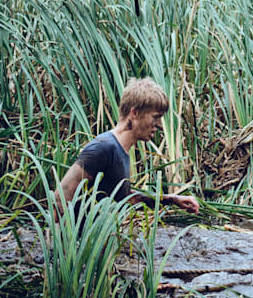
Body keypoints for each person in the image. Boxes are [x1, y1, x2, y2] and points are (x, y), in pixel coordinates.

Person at [59, 77, 200, 216]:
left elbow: (127, 198)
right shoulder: (103, 147)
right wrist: (62, 238)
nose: (160, 125)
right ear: (134, 113)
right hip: (81, 239)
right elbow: (62, 194)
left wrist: (172, 199)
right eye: (155, 117)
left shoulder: (121, 150)